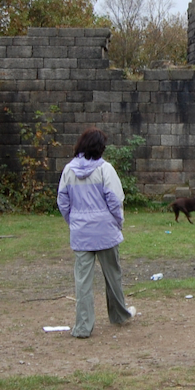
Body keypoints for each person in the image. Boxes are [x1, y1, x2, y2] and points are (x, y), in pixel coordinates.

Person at [57, 128, 136, 338]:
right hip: (105, 232)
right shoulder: (105, 169)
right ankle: (119, 315)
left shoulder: (68, 170)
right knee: (113, 275)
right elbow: (115, 199)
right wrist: (118, 222)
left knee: (82, 281)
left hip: (81, 233)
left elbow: (63, 202)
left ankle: (83, 326)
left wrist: (73, 222)